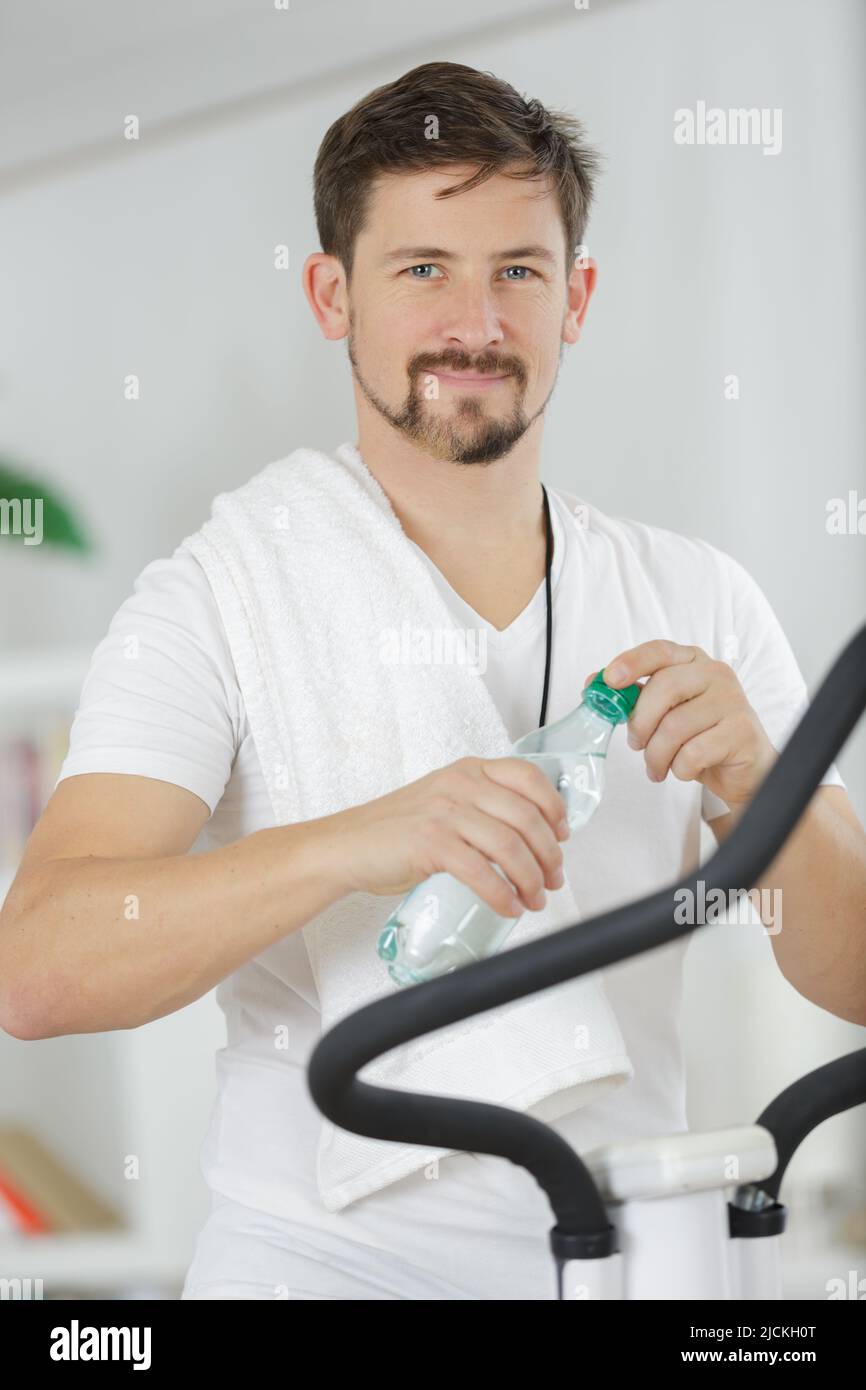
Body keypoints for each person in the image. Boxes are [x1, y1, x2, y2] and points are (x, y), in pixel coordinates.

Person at [1, 61, 864, 1302]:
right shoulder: (214, 599)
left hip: (622, 1258)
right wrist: (357, 840)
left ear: (575, 296)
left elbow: (852, 979)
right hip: (315, 1269)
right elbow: (36, 970)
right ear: (329, 293)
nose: (475, 322)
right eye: (421, 270)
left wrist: (759, 780)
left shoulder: (697, 600)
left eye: (515, 269)